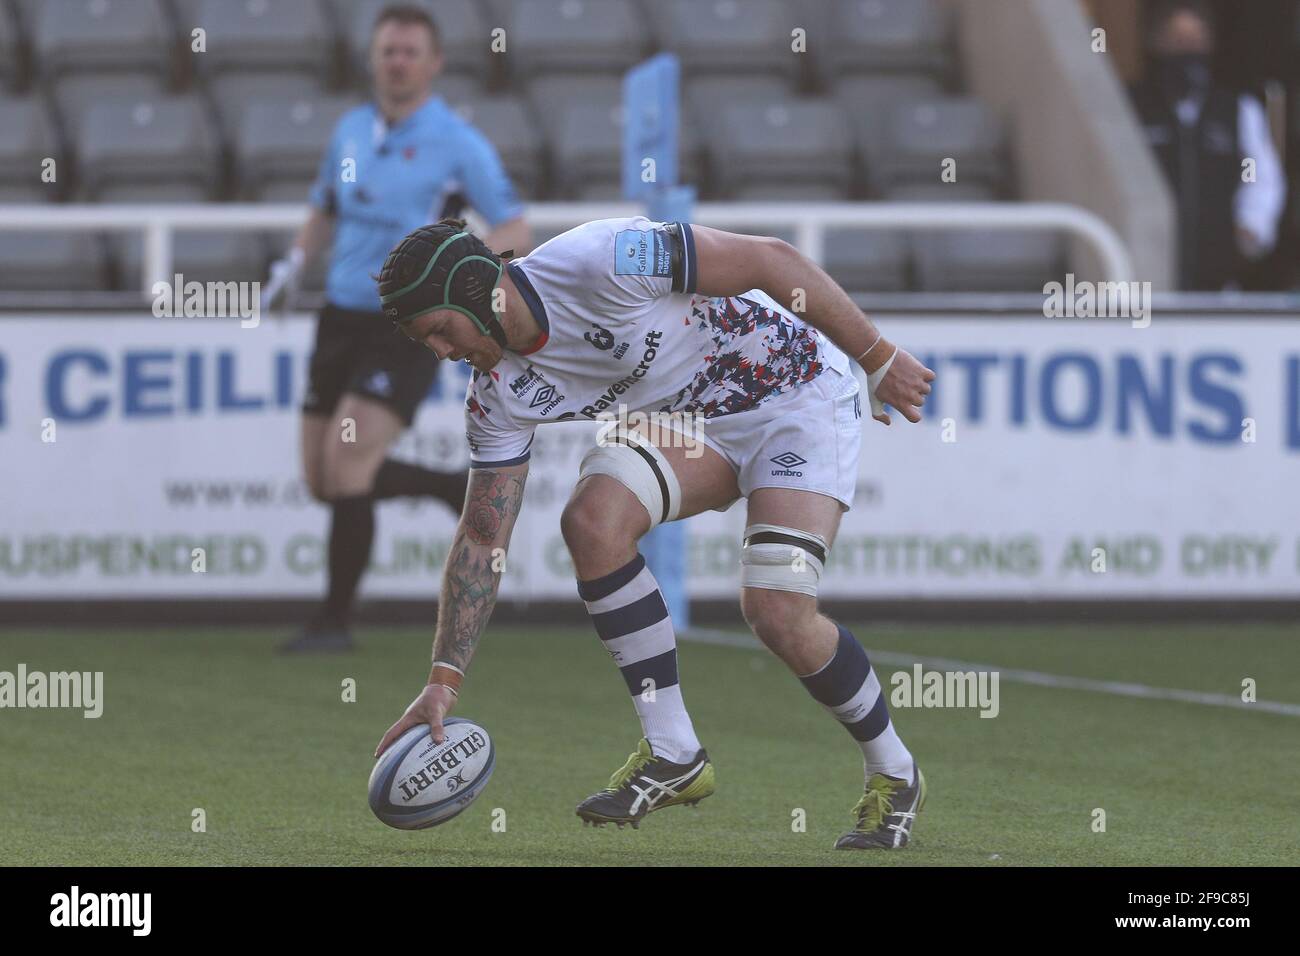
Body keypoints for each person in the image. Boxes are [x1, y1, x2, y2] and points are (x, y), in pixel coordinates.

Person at [372, 214, 937, 850]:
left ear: (480, 292)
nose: (443, 353)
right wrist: (442, 681)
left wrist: (879, 358)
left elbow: (771, 259)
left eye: (441, 332)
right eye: (429, 344)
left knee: (777, 613)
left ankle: (894, 768)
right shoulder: (496, 395)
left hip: (798, 395)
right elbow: (481, 540)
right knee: (591, 522)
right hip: (691, 424)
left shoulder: (603, 258)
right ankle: (675, 752)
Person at [267, 4, 530, 653]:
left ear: (434, 62)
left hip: (402, 326)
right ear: (373, 58)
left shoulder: (457, 142)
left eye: (411, 51)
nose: (398, 61)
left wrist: (468, 289)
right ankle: (445, 485)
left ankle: (333, 623)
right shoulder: (351, 130)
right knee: (320, 477)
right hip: (338, 316)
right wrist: (295, 261)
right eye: (389, 50)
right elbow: (324, 205)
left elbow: (515, 227)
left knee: (349, 464)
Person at [1130, 0, 1285, 289]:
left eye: (1194, 41)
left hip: (1218, 278)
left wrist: (1251, 225)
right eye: (1176, 40)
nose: (1186, 51)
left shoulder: (1237, 111)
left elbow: (1260, 175)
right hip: (1146, 279)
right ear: (1154, 43)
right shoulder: (1130, 109)